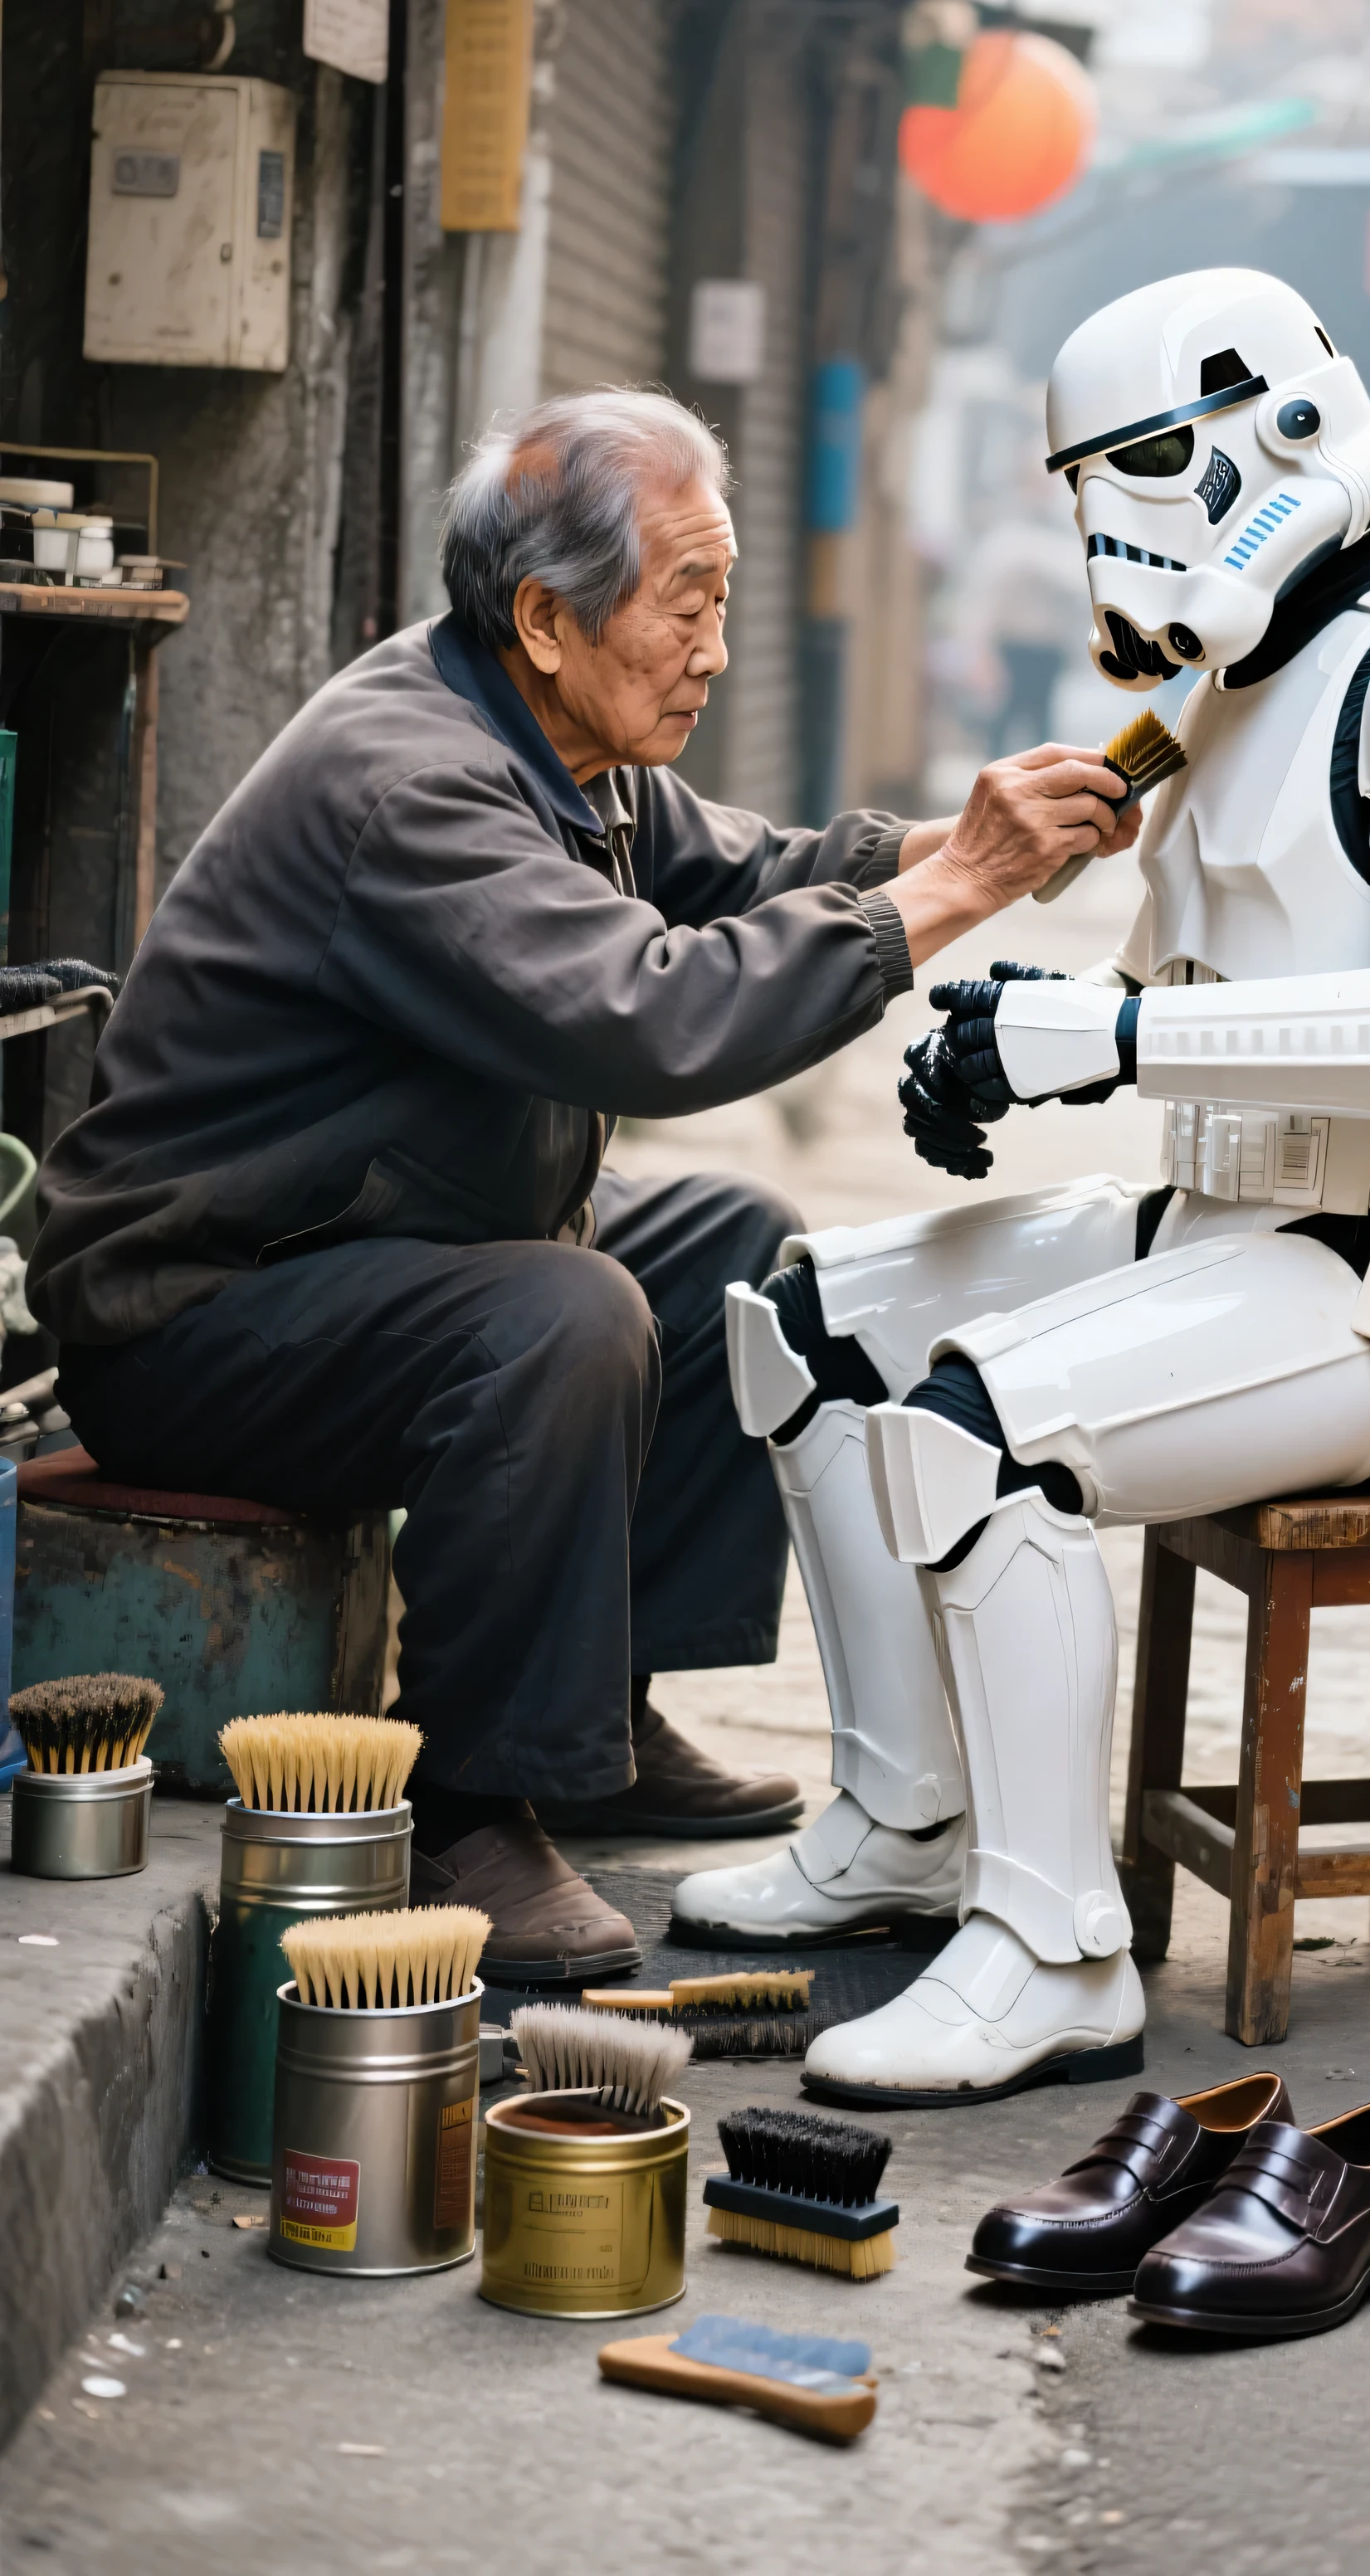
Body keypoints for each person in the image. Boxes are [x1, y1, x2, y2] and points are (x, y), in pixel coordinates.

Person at [28, 388, 1138, 1983]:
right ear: (547, 617)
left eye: (721, 599)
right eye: (686, 603)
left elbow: (752, 876)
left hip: (377, 1241)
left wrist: (962, 840)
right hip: (200, 1309)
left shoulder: (561, 743)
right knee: (566, 1312)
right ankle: (477, 1801)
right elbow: (659, 1014)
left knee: (731, 1243)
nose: (714, 646)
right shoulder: (414, 779)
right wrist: (958, 891)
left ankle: (606, 1714)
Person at [674, 265, 1370, 2102]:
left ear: (1272, 425)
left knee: (982, 1426)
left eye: (1151, 469)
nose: (1121, 531)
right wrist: (992, 1035)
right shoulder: (1230, 689)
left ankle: (1054, 1945)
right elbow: (1205, 996)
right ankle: (905, 1818)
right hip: (1231, 1232)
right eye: (1096, 485)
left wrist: (1090, 1037)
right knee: (808, 1321)